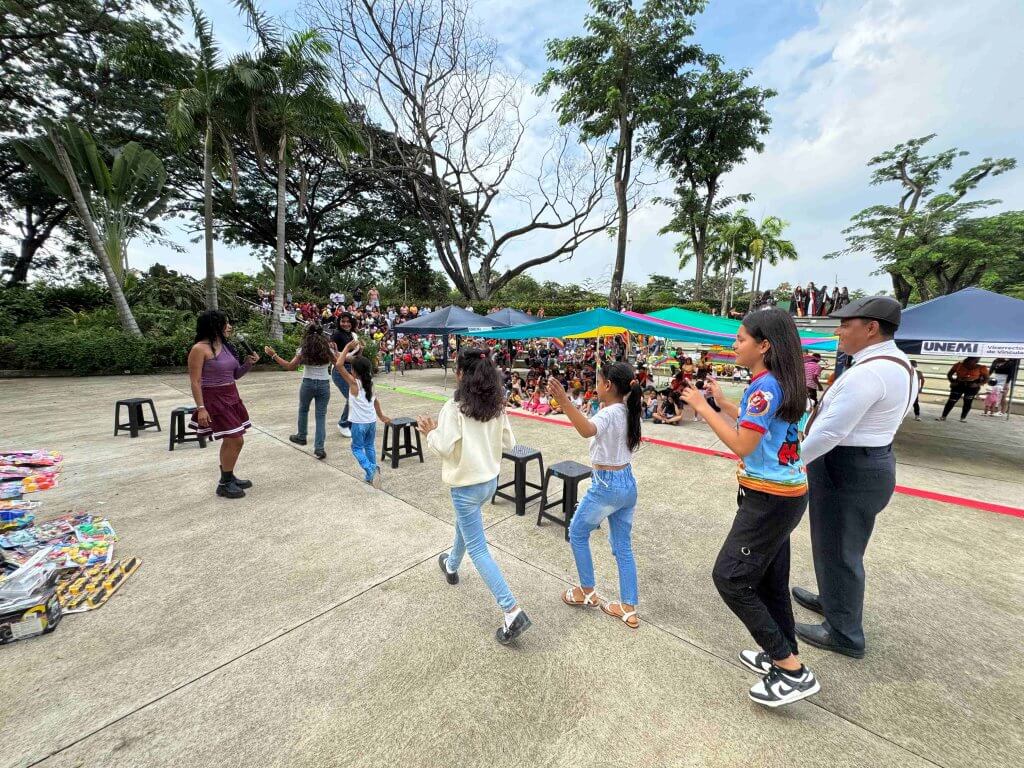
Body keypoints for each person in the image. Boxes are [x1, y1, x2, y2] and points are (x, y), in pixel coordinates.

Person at [680, 308, 818, 707]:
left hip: (769, 499)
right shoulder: (780, 383)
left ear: (764, 345)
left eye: (740, 339)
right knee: (771, 580)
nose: (734, 345)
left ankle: (791, 670)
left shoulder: (764, 388)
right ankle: (782, 651)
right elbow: (757, 427)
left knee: (730, 577)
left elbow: (742, 444)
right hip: (787, 494)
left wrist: (702, 408)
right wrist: (723, 404)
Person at [794, 297, 918, 658]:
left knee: (840, 548)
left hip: (847, 466)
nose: (839, 331)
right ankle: (834, 600)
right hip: (867, 461)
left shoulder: (870, 372)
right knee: (838, 544)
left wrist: (791, 464)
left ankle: (844, 633)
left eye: (846, 325)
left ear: (871, 328)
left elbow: (830, 432)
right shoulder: (897, 364)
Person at [417, 347, 531, 645]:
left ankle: (511, 610)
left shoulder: (454, 408)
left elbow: (442, 447)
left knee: (479, 548)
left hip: (466, 486)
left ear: (460, 374)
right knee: (465, 527)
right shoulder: (497, 406)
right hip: (489, 482)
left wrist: (429, 432)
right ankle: (452, 565)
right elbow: (510, 441)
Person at [547, 364, 643, 630]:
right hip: (627, 483)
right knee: (623, 547)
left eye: (598, 382)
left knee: (577, 532)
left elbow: (587, 430)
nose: (595, 386)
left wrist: (565, 402)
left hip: (606, 486)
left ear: (609, 385)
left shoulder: (610, 412)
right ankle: (628, 607)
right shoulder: (628, 410)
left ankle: (587, 591)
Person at [187, 310, 260, 498]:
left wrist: (248, 364)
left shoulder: (227, 347)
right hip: (214, 399)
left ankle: (228, 475)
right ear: (213, 326)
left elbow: (235, 375)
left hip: (232, 396)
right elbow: (195, 381)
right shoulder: (199, 349)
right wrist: (201, 408)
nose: (229, 327)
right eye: (224, 323)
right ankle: (224, 483)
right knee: (236, 439)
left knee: (232, 439)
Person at [264, 323, 334, 460]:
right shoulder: (328, 349)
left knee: (303, 410)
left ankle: (302, 436)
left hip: (307, 383)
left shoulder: (303, 350)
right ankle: (319, 448)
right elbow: (338, 362)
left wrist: (274, 355)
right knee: (321, 416)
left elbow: (290, 366)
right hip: (324, 384)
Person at [334, 339, 390, 488]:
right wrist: (381, 416)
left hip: (359, 424)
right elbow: (376, 401)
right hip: (371, 422)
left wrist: (346, 346)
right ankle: (370, 475)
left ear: (353, 371)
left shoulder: (354, 383)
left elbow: (338, 364)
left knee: (357, 448)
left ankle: (371, 469)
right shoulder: (370, 382)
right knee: (369, 446)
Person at [937, 356, 989, 422]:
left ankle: (963, 418)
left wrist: (977, 384)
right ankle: (943, 416)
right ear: (969, 359)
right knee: (952, 401)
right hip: (959, 384)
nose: (977, 360)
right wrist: (952, 381)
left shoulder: (981, 368)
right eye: (975, 359)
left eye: (977, 359)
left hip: (972, 386)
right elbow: (949, 374)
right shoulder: (959, 365)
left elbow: (986, 378)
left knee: (967, 402)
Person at [330, 313, 357, 437]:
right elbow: (333, 354)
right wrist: (350, 357)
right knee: (351, 397)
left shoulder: (352, 334)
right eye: (343, 321)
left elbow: (355, 355)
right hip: (339, 370)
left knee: (356, 396)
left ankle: (351, 423)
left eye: (348, 321)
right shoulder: (336, 335)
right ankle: (343, 423)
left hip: (351, 369)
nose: (345, 324)